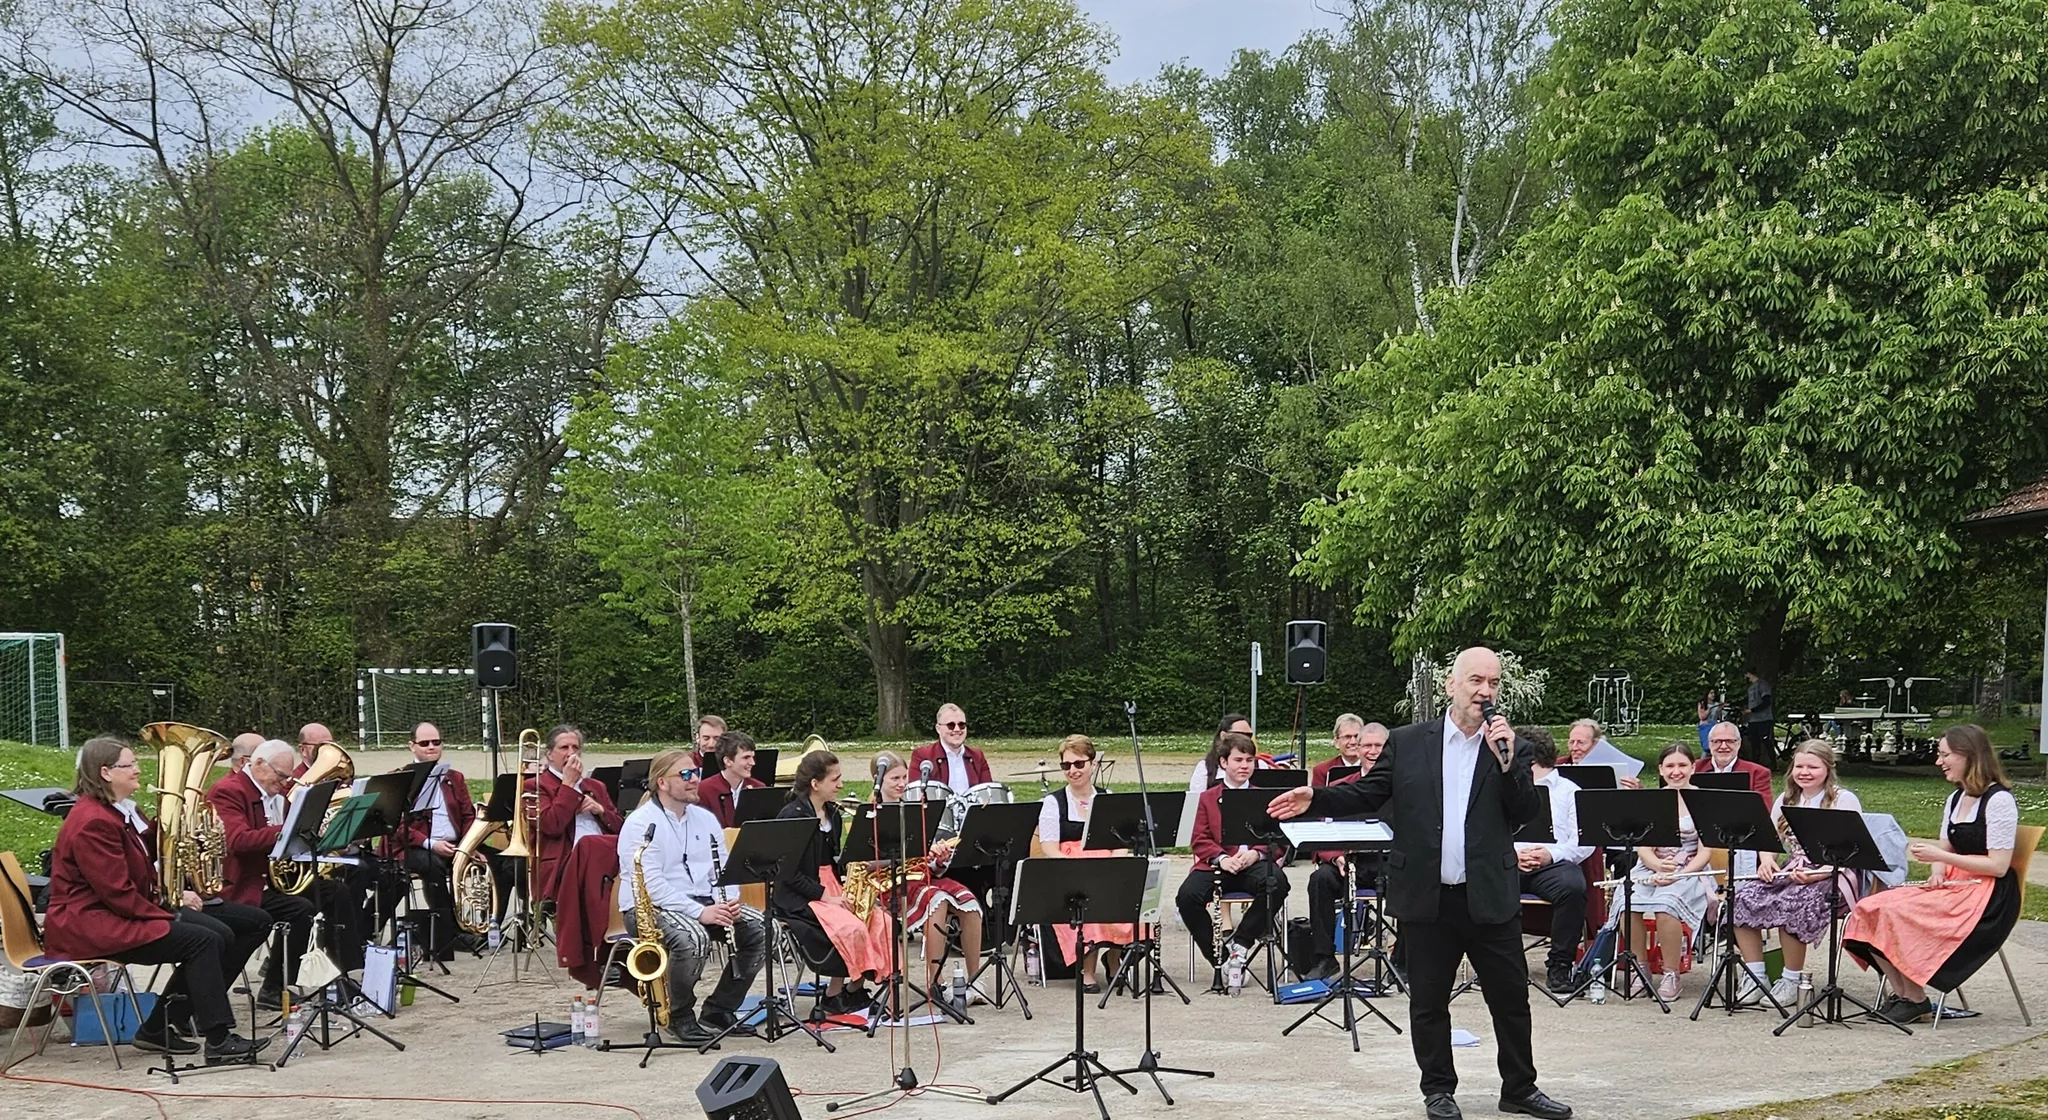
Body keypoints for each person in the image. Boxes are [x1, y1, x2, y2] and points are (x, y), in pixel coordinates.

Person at [1269, 647, 1567, 1120]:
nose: (1484, 691)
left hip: (1488, 894)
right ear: (1451, 685)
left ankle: (1519, 1088)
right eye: (1475, 681)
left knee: (1511, 1001)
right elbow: (1370, 793)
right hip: (1428, 896)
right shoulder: (1409, 741)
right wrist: (1316, 795)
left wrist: (1507, 763)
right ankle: (1439, 1090)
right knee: (1429, 1000)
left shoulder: (1512, 746)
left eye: (1492, 683)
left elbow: (1526, 812)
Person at [43, 736, 265, 1061]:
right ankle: (217, 1039)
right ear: (105, 772)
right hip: (92, 924)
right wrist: (167, 911)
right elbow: (117, 894)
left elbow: (145, 855)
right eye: (129, 764)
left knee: (230, 930)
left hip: (117, 912)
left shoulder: (118, 811)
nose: (137, 769)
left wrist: (178, 825)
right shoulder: (93, 822)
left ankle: (159, 1027)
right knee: (204, 939)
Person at [1844, 724, 2022, 1025]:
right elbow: (1946, 844)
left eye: (1945, 755)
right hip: (1955, 886)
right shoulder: (1956, 798)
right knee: (1869, 907)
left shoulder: (1999, 800)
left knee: (1895, 913)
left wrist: (1941, 858)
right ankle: (1905, 995)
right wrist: (1938, 870)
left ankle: (1915, 998)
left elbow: (1999, 866)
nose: (1939, 762)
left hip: (1987, 896)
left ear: (1969, 756)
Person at [616, 748, 768, 1045]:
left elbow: (723, 870)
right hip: (650, 907)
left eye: (696, 773)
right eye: (685, 774)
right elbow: (652, 886)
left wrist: (727, 901)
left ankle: (720, 1010)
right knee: (693, 937)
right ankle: (679, 1014)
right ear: (662, 782)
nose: (694, 779)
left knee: (764, 928)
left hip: (703, 902)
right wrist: (701, 913)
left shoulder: (704, 819)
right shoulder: (640, 823)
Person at [207, 738, 358, 1009]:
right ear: (258, 764)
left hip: (272, 879)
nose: (285, 783)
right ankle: (274, 987)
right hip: (242, 884)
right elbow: (238, 841)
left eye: (288, 777)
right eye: (281, 776)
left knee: (335, 892)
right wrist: (289, 829)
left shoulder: (275, 792)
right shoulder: (228, 791)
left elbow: (289, 838)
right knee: (300, 910)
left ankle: (344, 974)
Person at [1730, 740, 1861, 1008]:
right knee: (1741, 897)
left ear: (1827, 768)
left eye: (1812, 766)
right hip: (1794, 869)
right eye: (1799, 766)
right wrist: (1766, 861)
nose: (1804, 772)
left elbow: (1853, 850)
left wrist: (1820, 874)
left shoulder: (1843, 799)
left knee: (1792, 902)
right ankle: (1756, 977)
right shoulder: (1787, 798)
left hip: (1833, 872)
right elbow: (1768, 840)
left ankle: (1791, 979)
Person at [773, 750, 892, 1016]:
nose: (840, 785)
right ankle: (833, 994)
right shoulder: (792, 816)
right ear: (815, 784)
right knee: (850, 926)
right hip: (800, 894)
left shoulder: (833, 815)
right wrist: (824, 896)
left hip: (830, 885)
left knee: (880, 920)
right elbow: (787, 872)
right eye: (834, 780)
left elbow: (833, 860)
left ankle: (854, 989)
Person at [1176, 731, 1291, 992]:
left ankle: (1240, 942)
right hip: (1219, 864)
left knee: (1277, 883)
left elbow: (1279, 837)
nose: (1245, 766)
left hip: (1254, 863)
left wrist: (1257, 853)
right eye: (1238, 760)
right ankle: (1221, 957)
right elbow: (1200, 838)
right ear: (1223, 763)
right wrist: (1221, 857)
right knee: (1187, 897)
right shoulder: (1207, 798)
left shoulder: (1265, 797)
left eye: (1249, 760)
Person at [873, 751, 986, 997]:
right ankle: (936, 980)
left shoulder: (914, 810)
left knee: (968, 900)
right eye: (895, 778)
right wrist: (914, 856)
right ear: (878, 779)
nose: (902, 783)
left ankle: (974, 980)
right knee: (937, 900)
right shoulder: (872, 813)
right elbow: (866, 862)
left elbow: (929, 866)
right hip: (889, 882)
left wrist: (937, 860)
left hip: (921, 877)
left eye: (904, 777)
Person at [1034, 735, 1136, 991]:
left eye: (1079, 764)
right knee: (1086, 896)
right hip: (1068, 868)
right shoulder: (1053, 802)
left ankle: (1114, 960)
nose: (1073, 771)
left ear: (1092, 764)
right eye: (1066, 765)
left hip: (1105, 866)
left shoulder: (1107, 797)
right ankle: (1087, 970)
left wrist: (1115, 862)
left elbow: (1120, 841)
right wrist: (1073, 865)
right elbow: (1048, 846)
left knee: (1123, 892)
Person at [1622, 743, 1715, 1002]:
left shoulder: (1704, 800)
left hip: (1691, 867)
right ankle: (1639, 968)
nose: (1676, 771)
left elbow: (1705, 852)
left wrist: (1678, 873)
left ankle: (1671, 973)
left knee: (1665, 904)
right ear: (1661, 770)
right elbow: (1643, 847)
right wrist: (1656, 866)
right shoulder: (1653, 800)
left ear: (1693, 767)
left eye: (1682, 765)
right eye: (1670, 766)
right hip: (1653, 863)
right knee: (1626, 900)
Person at [387, 722, 477, 958]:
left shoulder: (454, 777)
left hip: (453, 845)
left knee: (497, 861)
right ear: (411, 746)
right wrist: (430, 843)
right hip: (412, 847)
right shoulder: (399, 778)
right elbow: (396, 825)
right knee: (433, 865)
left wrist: (469, 845)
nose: (431, 747)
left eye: (436, 742)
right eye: (424, 743)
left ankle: (488, 926)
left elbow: (468, 815)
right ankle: (450, 932)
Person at [1303, 719, 1383, 981]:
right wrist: (1334, 856)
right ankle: (1325, 958)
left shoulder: (1404, 788)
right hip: (1347, 861)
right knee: (1320, 880)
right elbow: (1321, 831)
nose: (1372, 751)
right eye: (1367, 745)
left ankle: (1402, 961)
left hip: (1390, 861)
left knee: (1418, 881)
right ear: (1357, 749)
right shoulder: (1340, 788)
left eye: (1378, 746)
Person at [1515, 727, 1593, 994]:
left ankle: (1560, 965)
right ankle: (1506, 965)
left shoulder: (1570, 791)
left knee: (1573, 888)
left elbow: (1584, 842)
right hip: (1509, 861)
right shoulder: (1507, 788)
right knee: (1485, 882)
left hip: (1551, 865)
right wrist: (1513, 855)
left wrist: (1551, 855)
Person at [534, 724, 624, 905]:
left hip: (606, 856)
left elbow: (621, 827)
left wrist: (601, 810)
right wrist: (568, 785)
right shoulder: (536, 786)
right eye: (564, 748)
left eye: (575, 748)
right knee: (590, 848)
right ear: (549, 755)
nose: (571, 753)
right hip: (565, 861)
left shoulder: (595, 786)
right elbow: (551, 825)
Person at [909, 703, 994, 796]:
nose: (957, 729)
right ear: (938, 729)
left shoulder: (977, 756)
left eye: (962, 725)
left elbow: (987, 794)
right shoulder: (923, 755)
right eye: (951, 725)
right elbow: (916, 795)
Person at [698, 730, 767, 829]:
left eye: (752, 757)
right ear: (728, 761)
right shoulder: (704, 791)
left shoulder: (759, 787)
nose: (752, 762)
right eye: (746, 757)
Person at [1695, 721, 1773, 801]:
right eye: (1717, 741)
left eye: (1730, 741)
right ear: (1709, 744)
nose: (1723, 746)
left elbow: (1763, 810)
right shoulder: (1695, 769)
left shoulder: (1757, 773)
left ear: (1739, 744)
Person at [1187, 713, 1255, 793]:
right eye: (1239, 734)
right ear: (1223, 736)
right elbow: (1196, 800)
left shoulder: (1261, 764)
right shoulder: (1206, 767)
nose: (1245, 738)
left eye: (1249, 735)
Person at [1311, 716, 1388, 786]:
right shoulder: (1322, 770)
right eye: (1347, 737)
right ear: (1336, 742)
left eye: (1357, 736)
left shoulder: (1378, 766)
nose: (1353, 742)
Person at [1567, 718, 1640, 789]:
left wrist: (1635, 790)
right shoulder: (1559, 766)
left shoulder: (1615, 769)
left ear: (1595, 744)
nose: (1574, 748)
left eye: (1580, 743)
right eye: (1571, 742)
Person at [1740, 668, 1776, 765]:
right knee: (1754, 743)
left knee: (1766, 741)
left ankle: (1773, 764)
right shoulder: (1751, 688)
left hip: (1764, 719)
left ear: (1749, 674)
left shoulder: (1762, 685)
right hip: (1753, 720)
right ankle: (1755, 763)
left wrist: (1752, 710)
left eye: (1746, 675)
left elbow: (1767, 701)